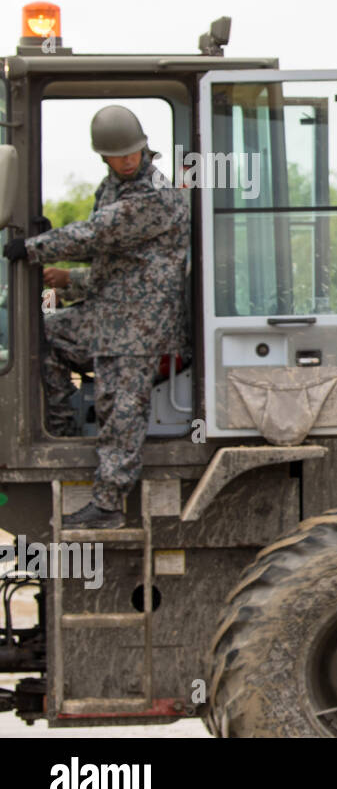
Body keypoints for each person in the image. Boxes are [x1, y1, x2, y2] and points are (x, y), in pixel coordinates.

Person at [3, 106, 189, 529]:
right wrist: (67, 272)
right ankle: (63, 430)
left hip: (141, 324)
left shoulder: (154, 195)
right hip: (109, 313)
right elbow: (111, 257)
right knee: (38, 333)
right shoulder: (112, 187)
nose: (127, 160)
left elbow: (97, 233)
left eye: (133, 153)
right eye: (117, 155)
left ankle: (107, 504)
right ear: (103, 157)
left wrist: (35, 247)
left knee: (121, 406)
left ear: (144, 148)